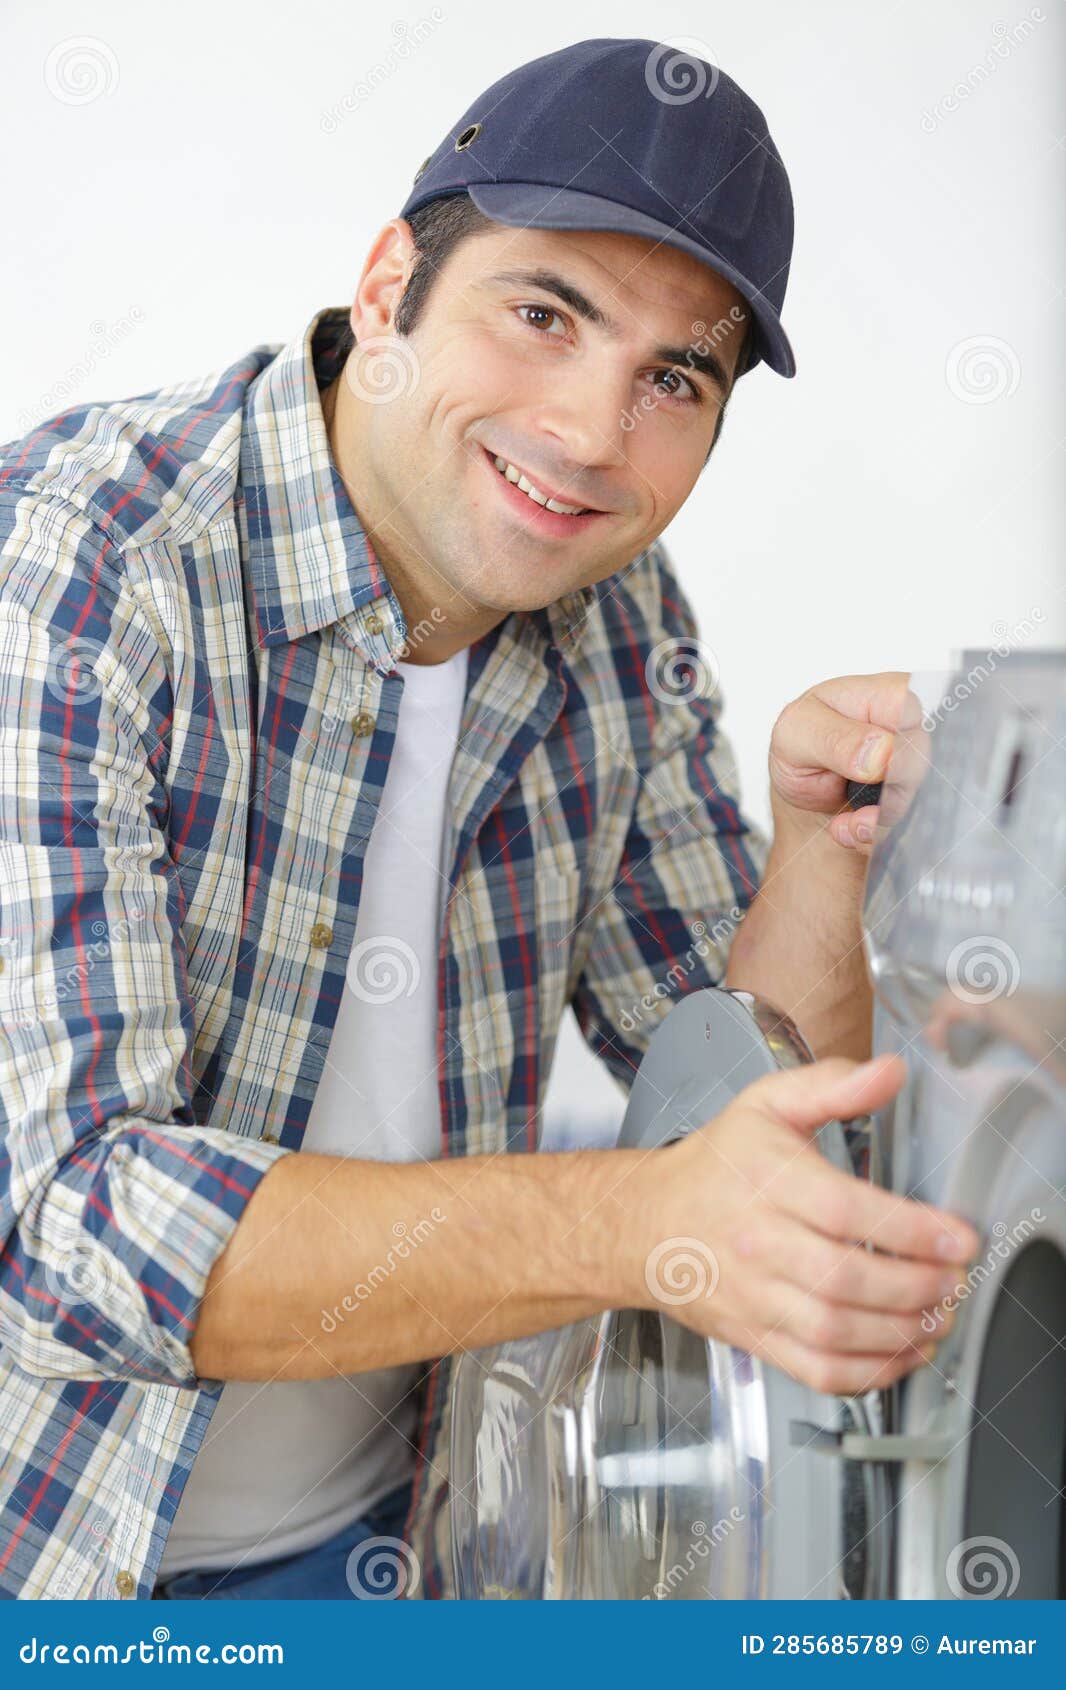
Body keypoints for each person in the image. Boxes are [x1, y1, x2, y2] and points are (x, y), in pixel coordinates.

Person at [0, 37, 978, 1601]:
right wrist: (637, 1220)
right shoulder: (74, 566)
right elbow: (74, 1232)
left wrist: (816, 851)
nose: (591, 433)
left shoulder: (612, 612)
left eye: (674, 378)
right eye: (543, 313)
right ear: (389, 285)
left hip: (382, 1548)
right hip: (54, 1557)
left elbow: (744, 1112)